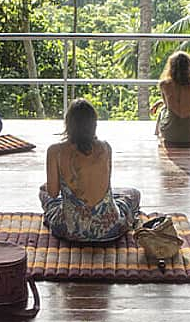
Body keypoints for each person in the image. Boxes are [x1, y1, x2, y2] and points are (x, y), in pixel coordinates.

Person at [40, 98, 141, 242]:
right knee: (133, 194)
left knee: (44, 192)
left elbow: (53, 193)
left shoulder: (55, 151)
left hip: (72, 230)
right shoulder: (106, 147)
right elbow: (105, 184)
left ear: (68, 124)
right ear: (93, 124)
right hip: (109, 229)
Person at [151, 50, 190, 147]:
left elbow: (168, 105)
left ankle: (157, 136)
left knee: (163, 110)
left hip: (170, 135)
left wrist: (158, 103)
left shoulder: (164, 84)